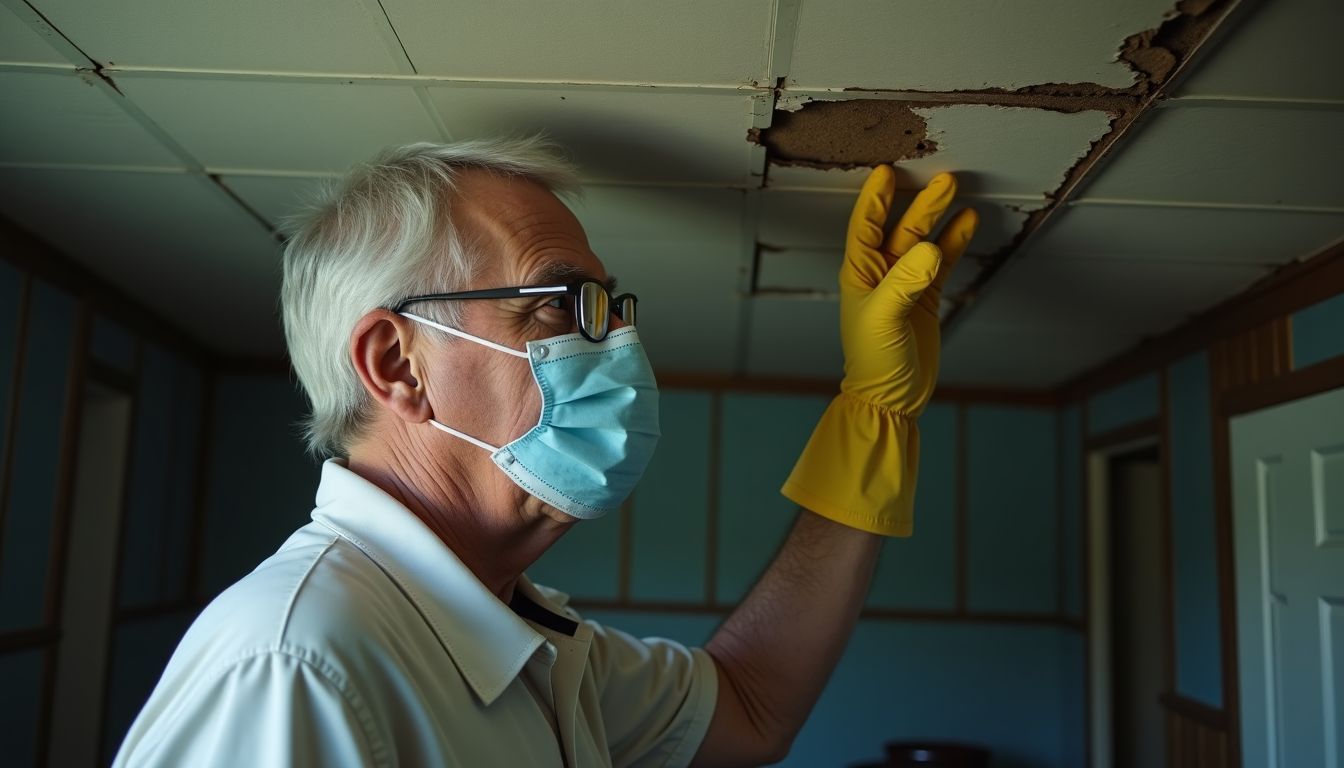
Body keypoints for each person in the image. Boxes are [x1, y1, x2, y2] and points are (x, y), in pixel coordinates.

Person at [112, 136, 977, 767]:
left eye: (609, 307)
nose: (620, 348)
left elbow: (752, 706)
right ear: (397, 366)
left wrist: (873, 412)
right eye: (559, 304)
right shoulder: (295, 662)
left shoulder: (525, 639)